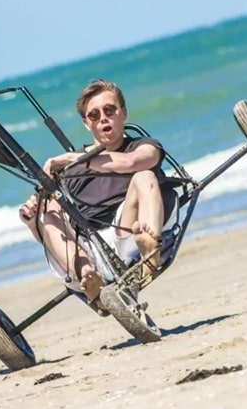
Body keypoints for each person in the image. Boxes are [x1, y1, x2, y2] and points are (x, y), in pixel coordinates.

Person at [18, 79, 170, 307]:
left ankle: (149, 251)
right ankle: (90, 280)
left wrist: (77, 159)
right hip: (88, 250)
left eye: (109, 110)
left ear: (123, 113)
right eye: (94, 115)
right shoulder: (69, 171)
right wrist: (32, 223)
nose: (103, 119)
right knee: (49, 213)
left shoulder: (143, 146)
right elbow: (49, 237)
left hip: (129, 232)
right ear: (86, 124)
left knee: (144, 176)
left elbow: (132, 162)